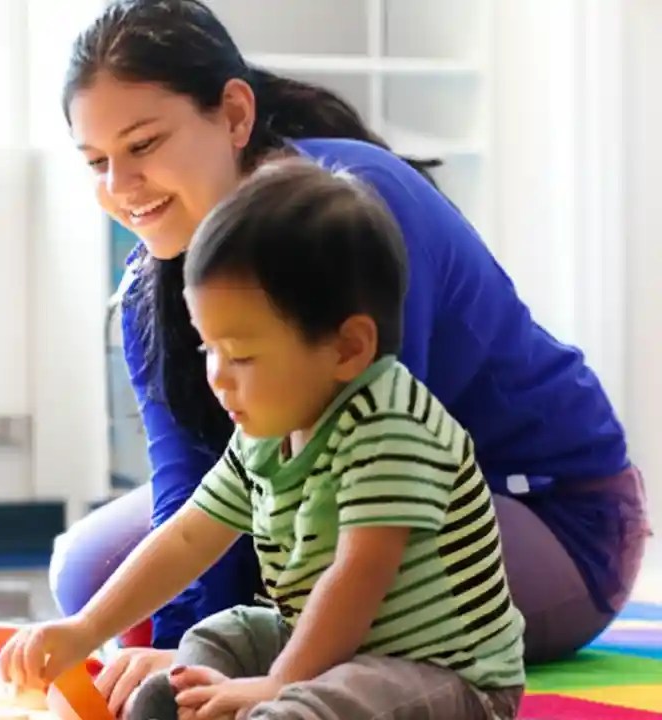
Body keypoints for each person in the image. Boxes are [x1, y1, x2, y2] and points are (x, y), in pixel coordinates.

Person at [49, 0, 650, 711]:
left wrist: (273, 678)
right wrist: (173, 653)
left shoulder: (349, 214)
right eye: (97, 162)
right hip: (323, 480)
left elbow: (369, 490)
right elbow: (191, 492)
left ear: (235, 116)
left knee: (323, 603)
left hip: (530, 512)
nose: (120, 188)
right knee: (89, 569)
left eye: (144, 145)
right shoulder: (155, 280)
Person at [4, 158, 526, 720]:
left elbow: (358, 575)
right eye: (209, 349)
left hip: (442, 675)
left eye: (243, 355)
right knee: (224, 636)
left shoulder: (392, 426)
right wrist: (86, 629)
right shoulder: (266, 427)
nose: (218, 377)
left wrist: (280, 684)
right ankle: (201, 703)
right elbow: (188, 538)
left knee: (312, 706)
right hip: (324, 644)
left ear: (348, 349)